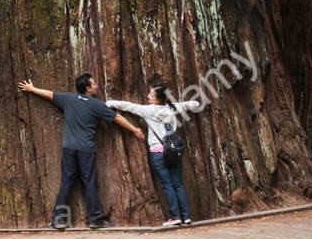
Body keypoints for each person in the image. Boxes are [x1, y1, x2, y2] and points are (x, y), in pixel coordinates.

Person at [20, 72, 145, 229]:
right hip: (86, 150)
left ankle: (59, 220)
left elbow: (49, 95)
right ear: (87, 88)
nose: (96, 86)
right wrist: (134, 130)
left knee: (66, 183)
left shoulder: (68, 99)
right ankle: (95, 219)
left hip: (69, 148)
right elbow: (118, 118)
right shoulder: (97, 105)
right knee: (90, 183)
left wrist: (32, 89)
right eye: (93, 84)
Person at [107, 83, 192, 227]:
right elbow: (191, 104)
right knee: (178, 184)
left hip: (158, 153)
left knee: (167, 185)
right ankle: (186, 216)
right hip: (174, 152)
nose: (148, 96)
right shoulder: (172, 108)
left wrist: (110, 103)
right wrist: (194, 103)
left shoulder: (149, 110)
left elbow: (129, 106)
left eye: (151, 95)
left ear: (158, 99)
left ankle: (175, 216)